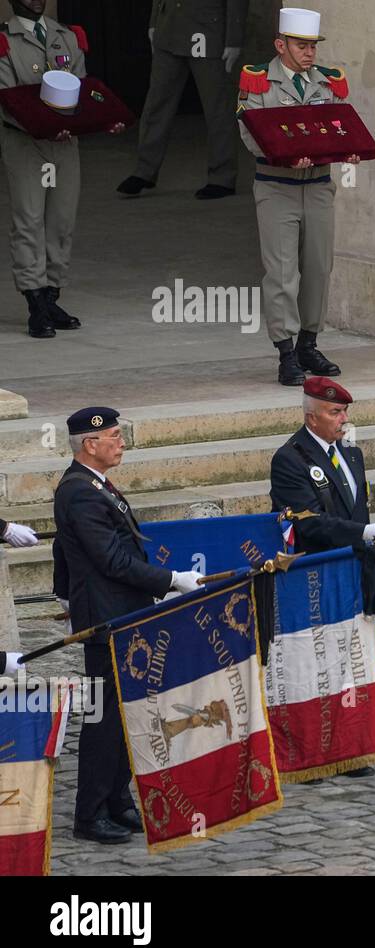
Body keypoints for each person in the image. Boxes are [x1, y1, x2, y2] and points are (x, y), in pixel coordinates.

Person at [52, 407, 204, 844]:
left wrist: (62, 589)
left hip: (124, 613)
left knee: (124, 711)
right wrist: (172, 580)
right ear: (90, 444)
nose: (121, 443)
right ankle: (90, 813)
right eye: (115, 436)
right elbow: (111, 559)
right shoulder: (80, 491)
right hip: (107, 618)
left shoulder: (94, 485)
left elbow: (67, 549)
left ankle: (117, 800)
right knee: (104, 718)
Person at [268, 376, 375, 778]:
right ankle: (317, 752)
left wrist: (370, 537)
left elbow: (356, 508)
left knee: (353, 664)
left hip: (356, 571)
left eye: (344, 412)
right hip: (319, 577)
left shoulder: (351, 455)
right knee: (319, 669)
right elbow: (310, 524)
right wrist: (362, 533)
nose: (342, 420)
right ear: (312, 416)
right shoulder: (290, 459)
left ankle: (350, 746)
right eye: (334, 412)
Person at [235, 7, 359, 385]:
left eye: (312, 46)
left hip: (318, 185)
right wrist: (284, 155)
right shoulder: (259, 82)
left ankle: (309, 342)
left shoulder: (327, 82)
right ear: (280, 45)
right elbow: (250, 133)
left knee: (319, 268)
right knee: (283, 273)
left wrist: (347, 148)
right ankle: (286, 351)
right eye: (301, 46)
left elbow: (340, 126)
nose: (309, 53)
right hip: (277, 188)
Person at [0, 1, 120, 337]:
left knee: (61, 220)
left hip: (64, 146)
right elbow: (9, 100)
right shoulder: (4, 41)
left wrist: (101, 119)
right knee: (29, 220)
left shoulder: (66, 36)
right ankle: (35, 301)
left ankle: (52, 294)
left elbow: (81, 90)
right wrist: (46, 123)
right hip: (26, 144)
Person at [117, 0, 248, 200]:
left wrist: (234, 39)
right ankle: (144, 171)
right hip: (169, 29)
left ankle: (223, 177)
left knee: (217, 109)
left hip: (207, 31)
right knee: (156, 104)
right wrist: (155, 22)